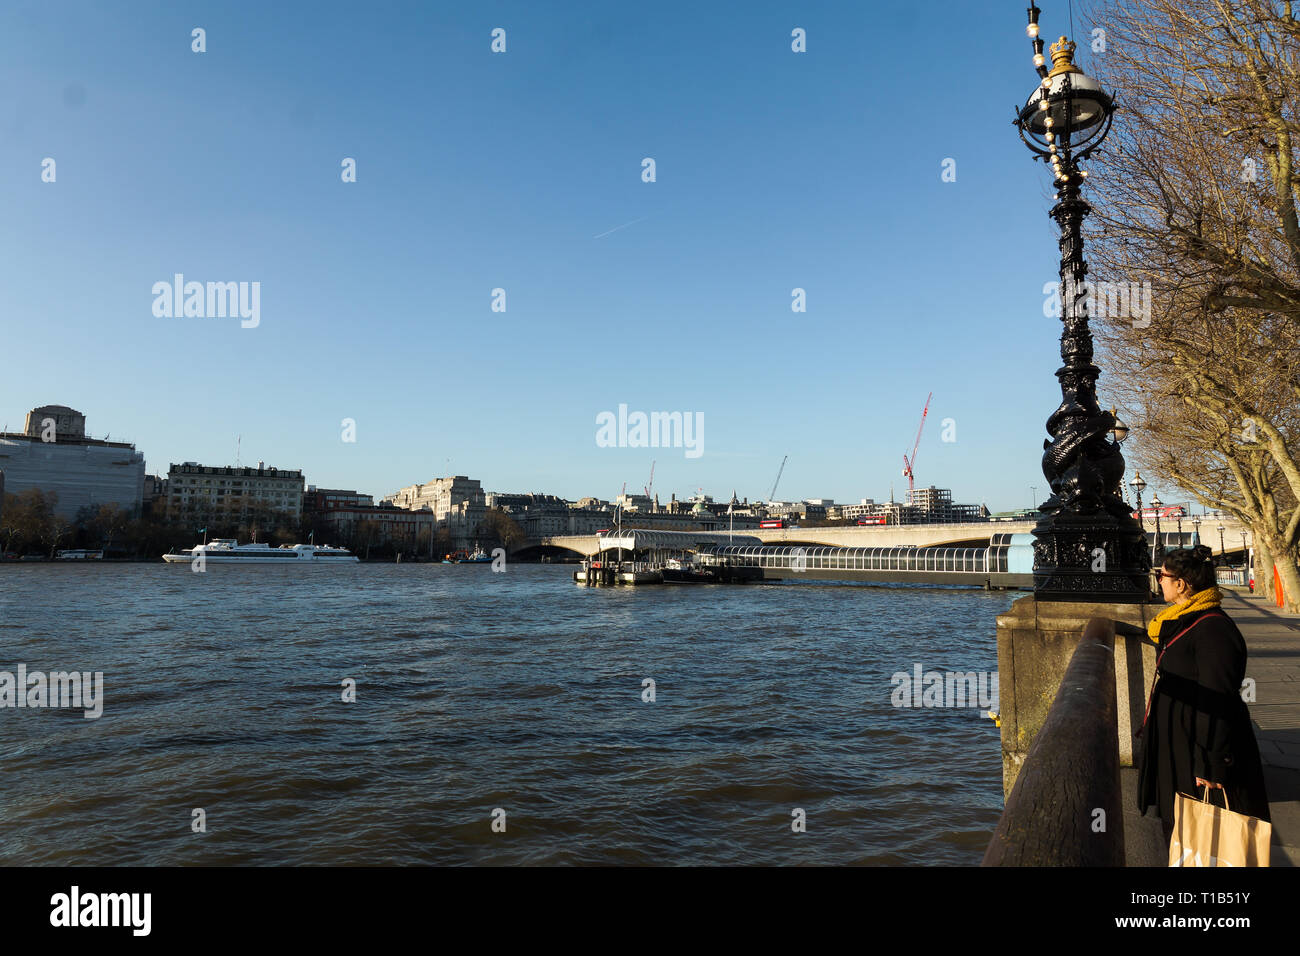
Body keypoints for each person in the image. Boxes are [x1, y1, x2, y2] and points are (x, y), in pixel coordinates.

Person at [1136, 545, 1271, 845]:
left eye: (1162, 575)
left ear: (1181, 584)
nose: (1159, 580)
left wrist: (1210, 765)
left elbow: (1218, 698)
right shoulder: (1183, 618)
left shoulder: (1213, 630)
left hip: (1197, 746)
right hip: (1180, 737)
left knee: (1208, 833)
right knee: (1184, 825)